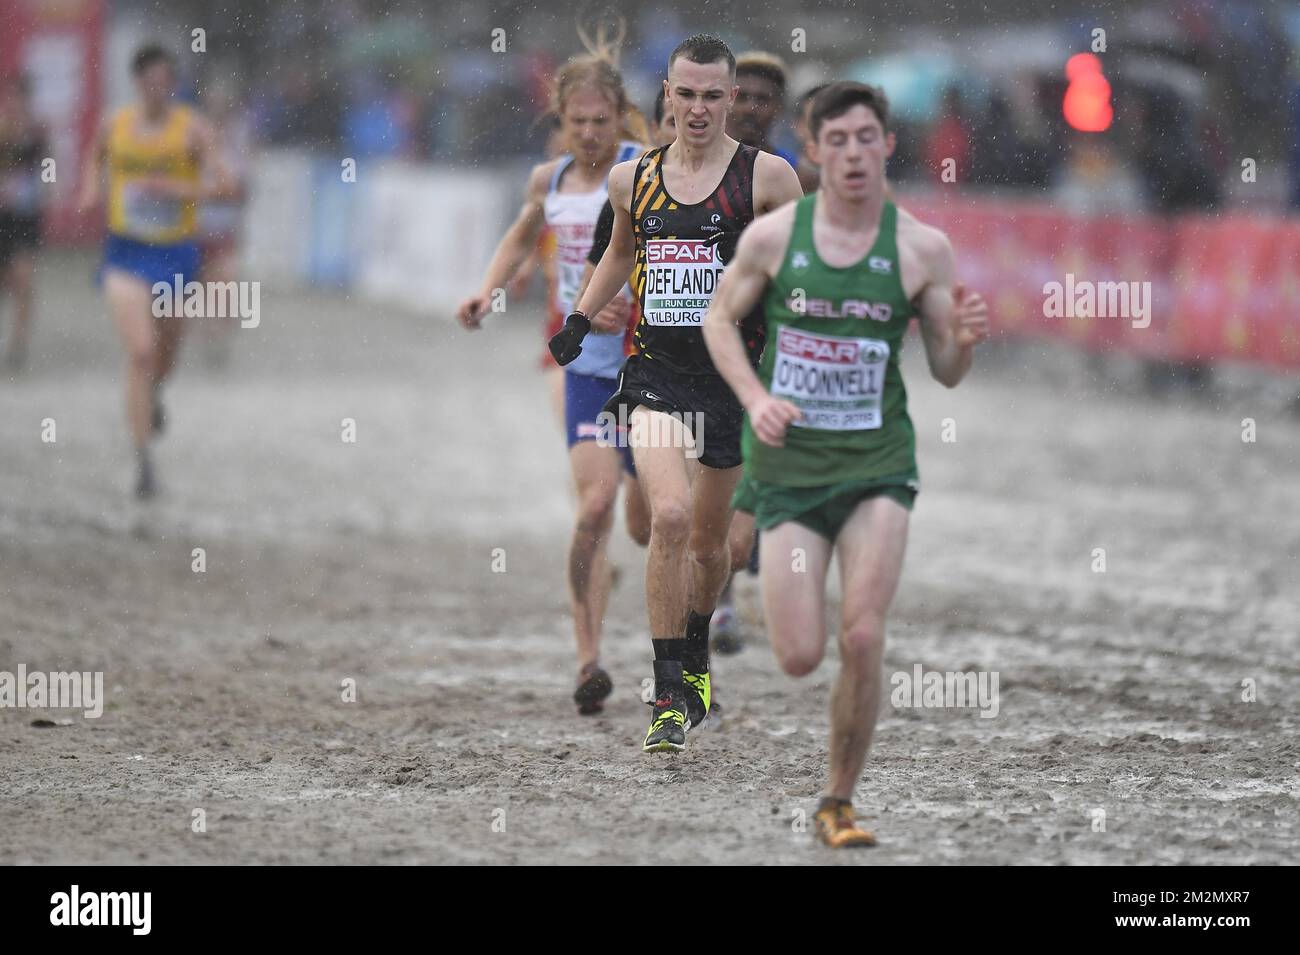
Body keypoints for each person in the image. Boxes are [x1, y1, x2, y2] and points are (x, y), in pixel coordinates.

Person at [702, 81, 989, 845]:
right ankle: (771, 595)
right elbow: (719, 320)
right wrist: (756, 397)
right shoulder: (775, 238)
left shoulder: (921, 248)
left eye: (868, 138)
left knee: (861, 635)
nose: (856, 154)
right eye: (839, 141)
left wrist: (962, 339)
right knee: (798, 656)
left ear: (888, 145)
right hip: (791, 471)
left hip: (877, 465)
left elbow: (946, 370)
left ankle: (837, 799)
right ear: (815, 149)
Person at [556, 33, 804, 751]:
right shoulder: (633, 180)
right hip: (656, 375)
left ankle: (696, 654)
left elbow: (797, 277)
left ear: (732, 99)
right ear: (666, 96)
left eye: (711, 96)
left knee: (709, 543)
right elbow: (621, 251)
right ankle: (668, 693)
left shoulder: (769, 179)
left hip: (732, 381)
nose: (697, 109)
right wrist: (580, 315)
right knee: (665, 515)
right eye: (684, 94)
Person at [455, 41, 650, 715]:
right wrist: (486, 290)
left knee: (651, 522)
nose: (591, 135)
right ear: (561, 120)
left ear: (622, 117)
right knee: (592, 506)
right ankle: (588, 658)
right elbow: (518, 236)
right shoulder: (549, 181)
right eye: (578, 123)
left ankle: (686, 640)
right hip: (585, 368)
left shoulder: (646, 171)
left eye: (602, 121)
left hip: (651, 367)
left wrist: (639, 297)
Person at [77, 45, 236, 498]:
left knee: (165, 355)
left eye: (167, 80)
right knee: (141, 353)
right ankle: (144, 462)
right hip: (125, 251)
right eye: (150, 80)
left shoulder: (193, 129)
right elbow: (95, 157)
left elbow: (226, 186)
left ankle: (155, 394)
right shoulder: (116, 123)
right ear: (136, 82)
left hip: (175, 254)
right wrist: (91, 190)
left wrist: (175, 188)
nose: (158, 88)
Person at [0, 75, 47, 370]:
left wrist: (42, 188)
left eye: (21, 98)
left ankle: (18, 345)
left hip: (25, 217)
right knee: (6, 281)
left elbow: (48, 170)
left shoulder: (38, 133)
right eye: (11, 98)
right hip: (2, 217)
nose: (16, 104)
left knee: (24, 279)